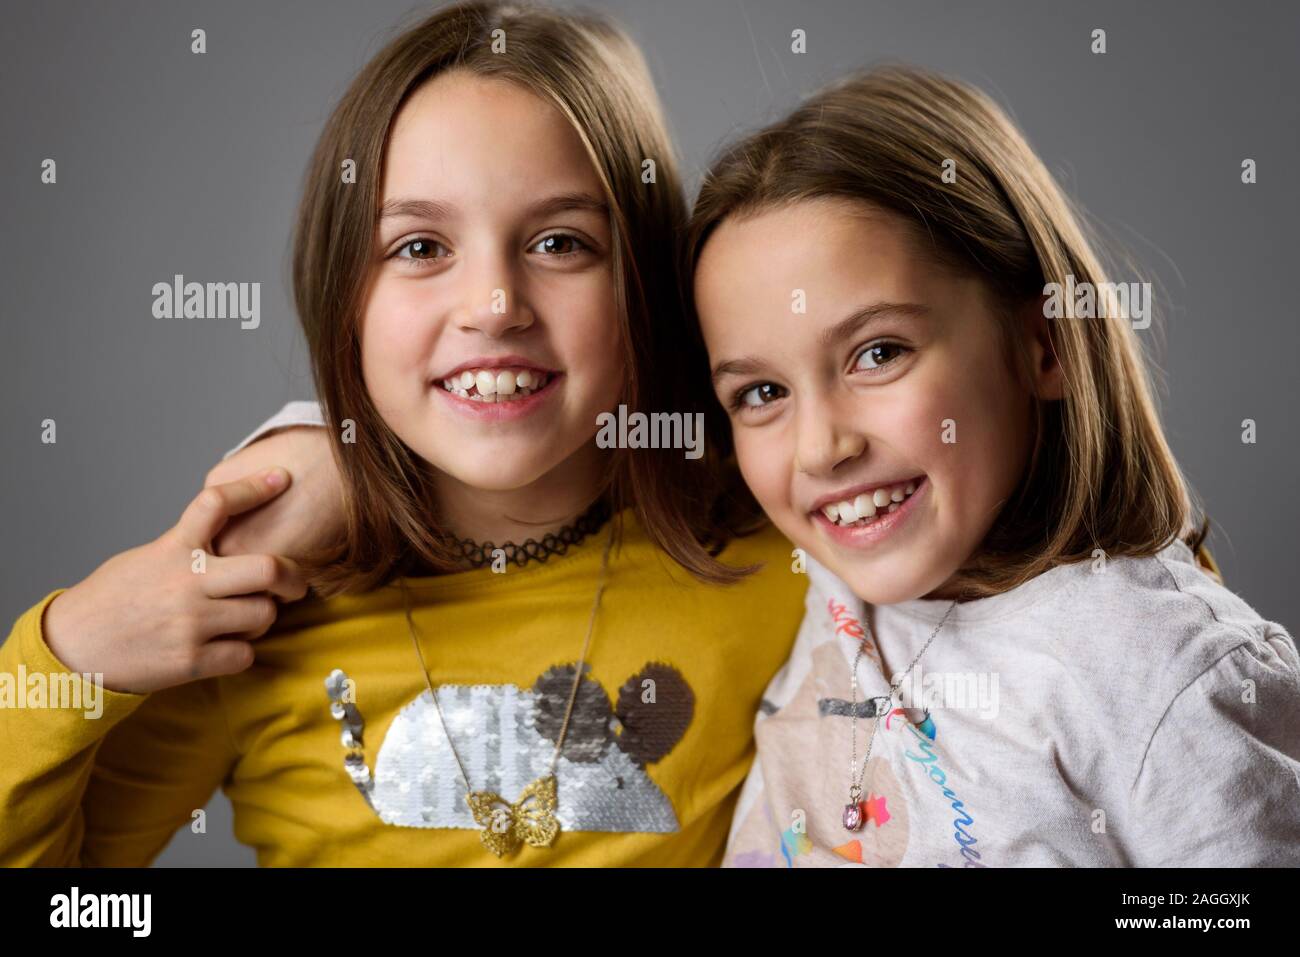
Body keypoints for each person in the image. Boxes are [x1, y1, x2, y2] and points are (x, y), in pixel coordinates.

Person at [0, 1, 807, 867]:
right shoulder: (252, 610)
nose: (494, 306)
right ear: (344, 297)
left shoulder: (783, 564)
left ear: (641, 280)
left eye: (561, 242)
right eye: (420, 248)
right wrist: (67, 653)